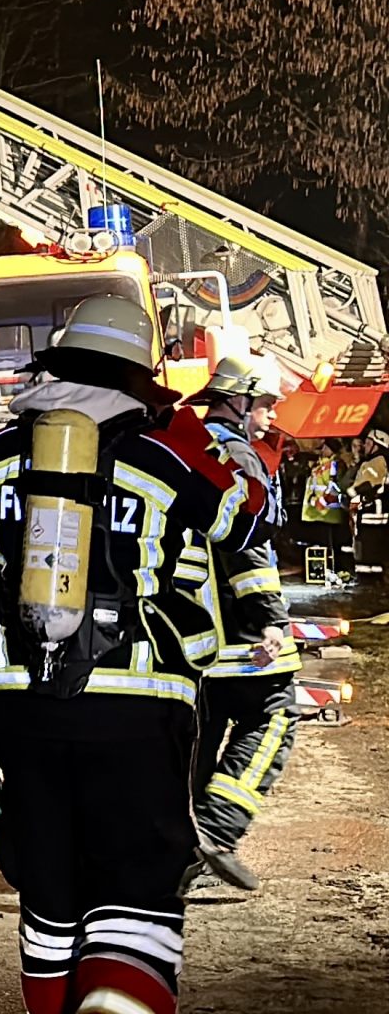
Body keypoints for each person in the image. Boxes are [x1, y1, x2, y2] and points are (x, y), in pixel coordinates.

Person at [0, 294, 268, 1014]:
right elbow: (247, 519)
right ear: (140, 375)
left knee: (49, 894)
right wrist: (197, 436)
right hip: (139, 708)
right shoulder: (165, 452)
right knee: (136, 894)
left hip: (21, 709)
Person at [188, 353, 297, 892]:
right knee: (275, 717)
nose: (272, 415)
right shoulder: (237, 456)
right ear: (239, 399)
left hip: (185, 634)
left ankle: (176, 847)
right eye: (267, 403)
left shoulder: (182, 448)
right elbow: (248, 546)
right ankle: (215, 830)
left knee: (199, 737)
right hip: (236, 632)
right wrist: (271, 620)